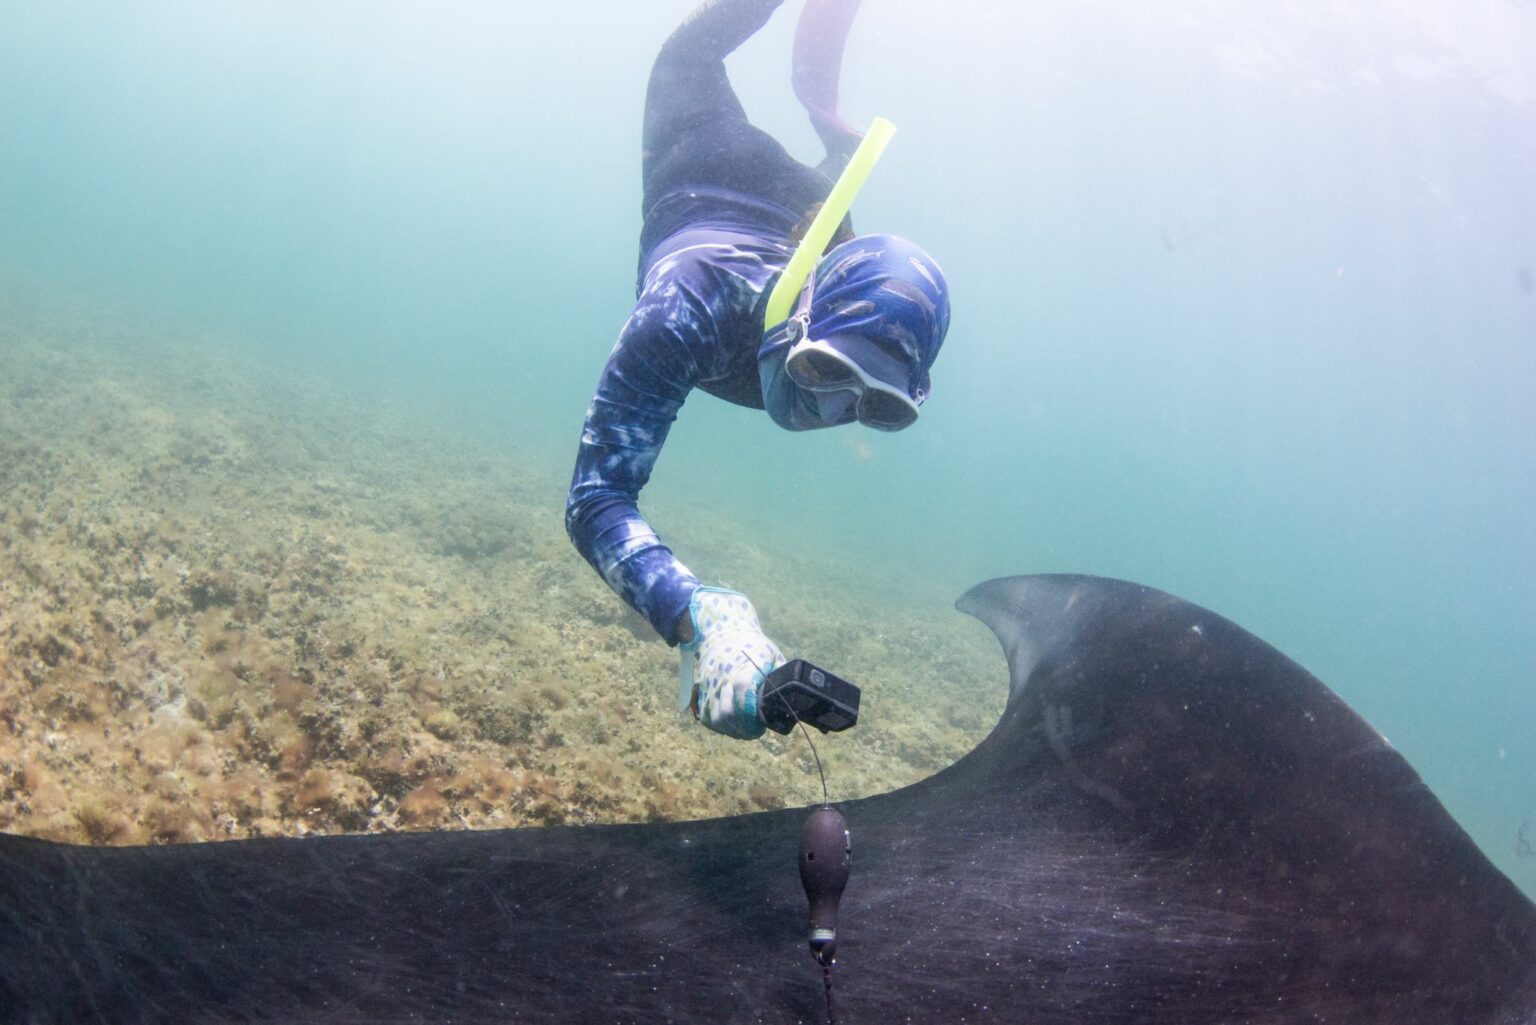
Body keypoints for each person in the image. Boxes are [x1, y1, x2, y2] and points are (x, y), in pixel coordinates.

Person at [565, 0, 951, 741]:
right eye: (827, 368)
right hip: (706, 159)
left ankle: (829, 129)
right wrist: (696, 612)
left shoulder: (827, 281)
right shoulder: (687, 311)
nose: (831, 409)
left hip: (805, 216)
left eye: (878, 407)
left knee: (837, 176)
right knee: (687, 54)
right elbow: (595, 498)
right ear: (803, 322)